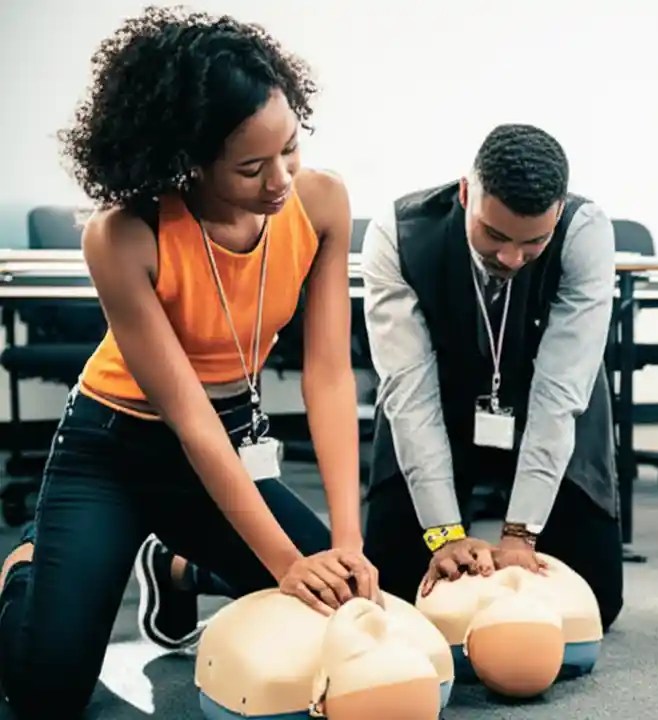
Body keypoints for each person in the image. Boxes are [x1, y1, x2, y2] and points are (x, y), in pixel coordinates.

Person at [0, 8, 378, 717]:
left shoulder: (321, 202)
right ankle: (28, 566)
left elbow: (328, 372)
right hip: (112, 449)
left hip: (233, 440)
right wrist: (287, 563)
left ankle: (175, 565)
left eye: (289, 149)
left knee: (339, 603)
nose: (281, 182)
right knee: (45, 695)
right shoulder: (122, 235)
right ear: (186, 159)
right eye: (250, 167)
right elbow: (190, 423)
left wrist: (347, 542)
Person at [360, 123, 624, 630]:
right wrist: (444, 534)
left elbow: (560, 392)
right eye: (494, 234)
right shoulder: (396, 232)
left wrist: (522, 533)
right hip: (438, 398)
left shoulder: (586, 232)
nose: (511, 258)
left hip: (544, 408)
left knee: (593, 605)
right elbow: (408, 393)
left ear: (559, 211)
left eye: (534, 242)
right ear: (466, 194)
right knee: (396, 592)